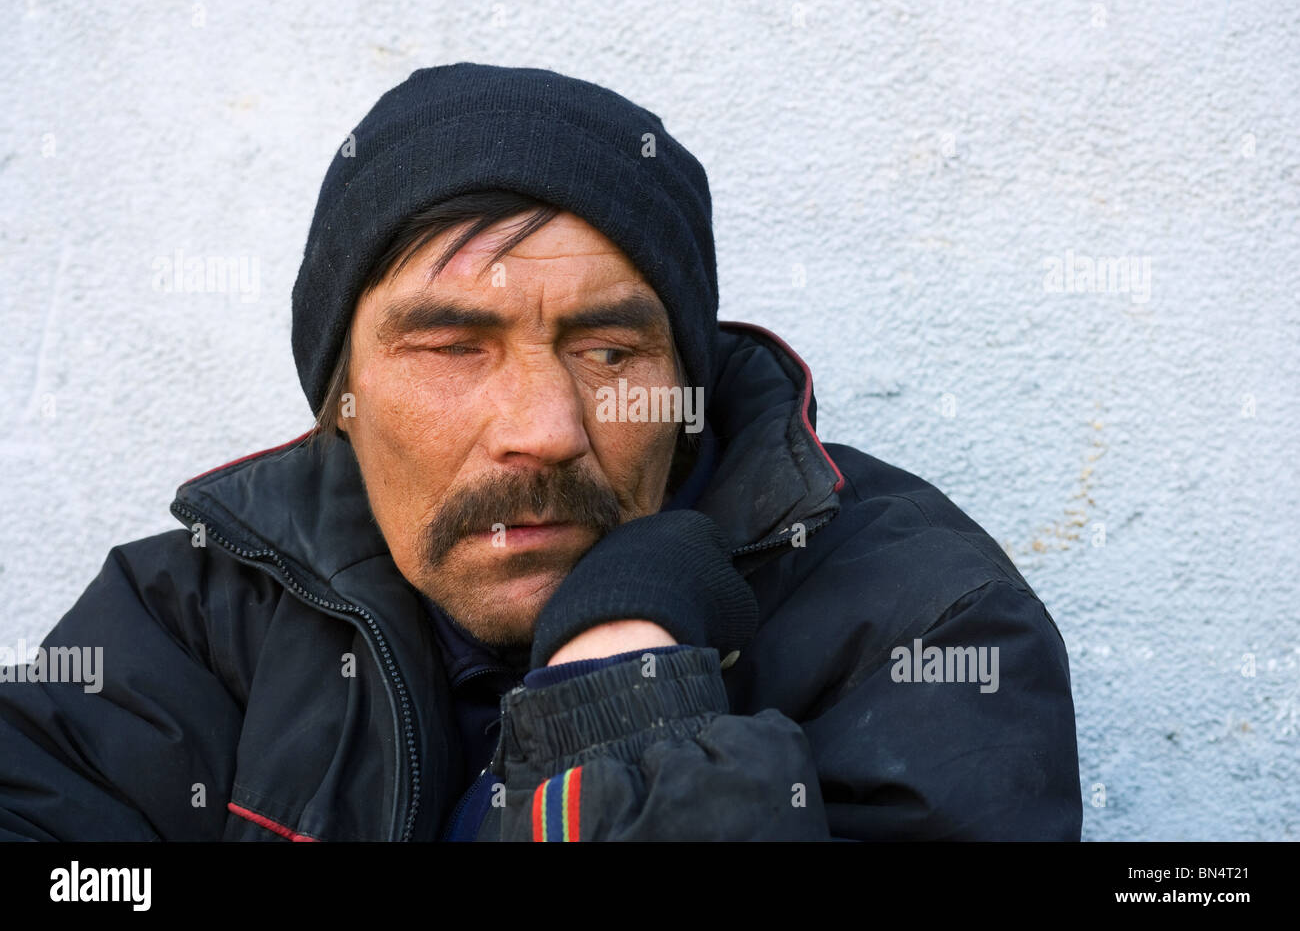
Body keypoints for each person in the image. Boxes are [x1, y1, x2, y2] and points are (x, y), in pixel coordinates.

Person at [0, 63, 1081, 841]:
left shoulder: (916, 620)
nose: (546, 426)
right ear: (344, 395)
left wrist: (623, 690)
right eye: (452, 346)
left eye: (609, 348)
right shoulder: (185, 619)